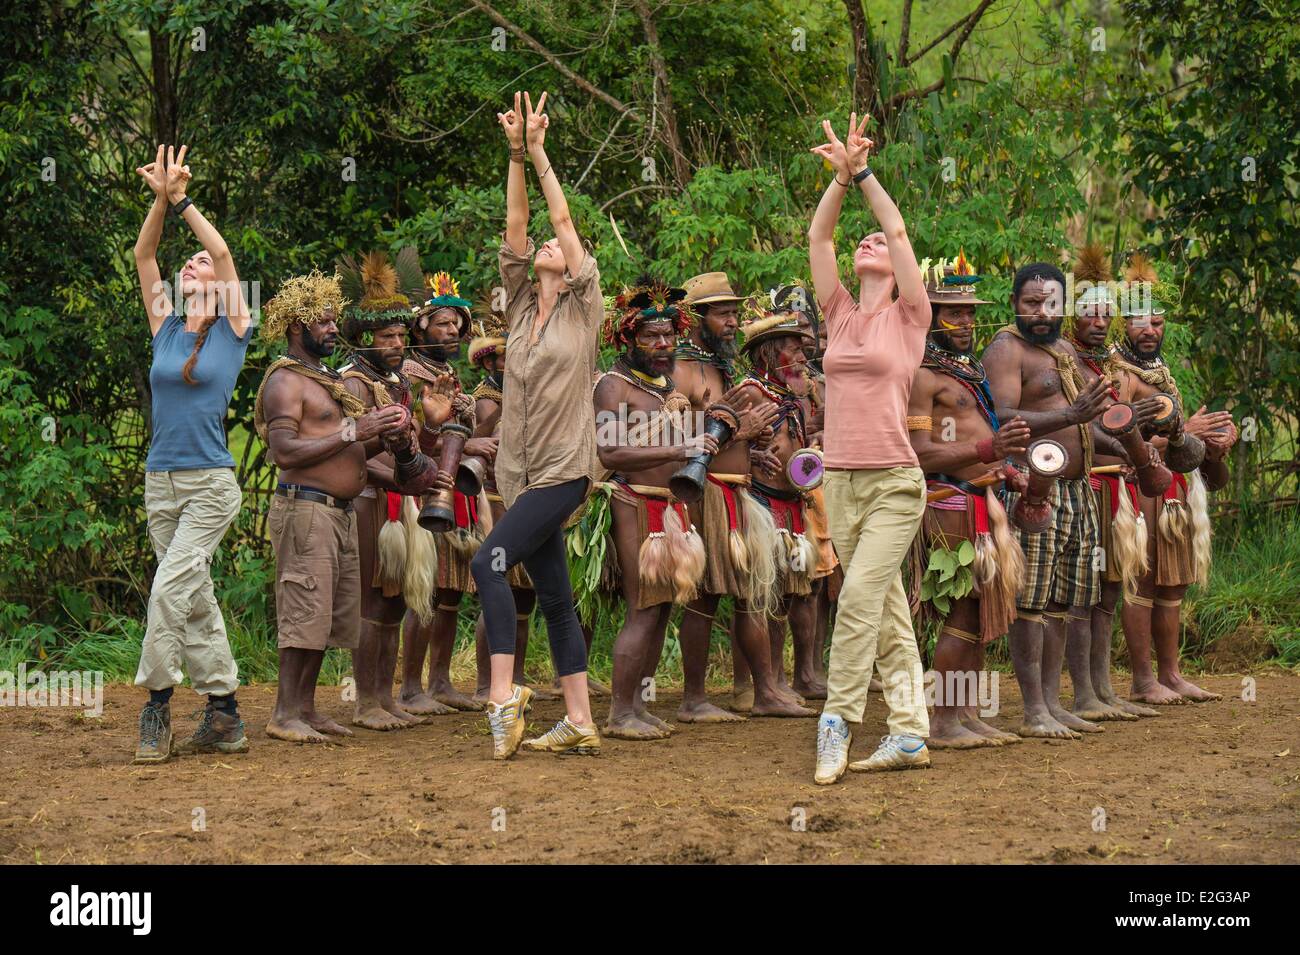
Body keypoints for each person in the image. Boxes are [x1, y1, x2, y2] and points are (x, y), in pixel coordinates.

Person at [469, 91, 601, 759]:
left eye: (561, 246)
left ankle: (502, 696)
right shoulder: (522, 305)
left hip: (564, 469)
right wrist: (514, 152)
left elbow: (559, 216)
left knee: (487, 562)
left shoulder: (584, 305)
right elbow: (519, 219)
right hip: (519, 474)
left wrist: (542, 151)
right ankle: (578, 716)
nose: (550, 244)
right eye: (545, 247)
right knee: (554, 594)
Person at [806, 113, 933, 784]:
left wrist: (865, 176)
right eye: (867, 238)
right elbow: (820, 233)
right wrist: (837, 179)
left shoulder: (909, 316)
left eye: (878, 241)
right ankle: (910, 732)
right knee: (880, 610)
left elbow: (900, 230)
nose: (870, 238)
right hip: (841, 483)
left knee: (855, 601)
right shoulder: (839, 314)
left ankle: (837, 722)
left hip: (893, 482)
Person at [131, 144, 253, 764]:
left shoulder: (234, 323)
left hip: (209, 485)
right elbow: (144, 254)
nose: (193, 262)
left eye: (199, 262)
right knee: (192, 593)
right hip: (160, 482)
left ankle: (156, 706)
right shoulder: (167, 326)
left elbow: (225, 252)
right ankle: (225, 711)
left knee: (166, 592)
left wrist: (181, 200)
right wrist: (158, 201)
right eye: (190, 261)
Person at [254, 272, 410, 742]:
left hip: (338, 511)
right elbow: (284, 452)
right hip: (306, 510)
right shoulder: (284, 381)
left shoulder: (326, 380)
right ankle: (284, 713)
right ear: (296, 327)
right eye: (323, 323)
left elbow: (349, 452)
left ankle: (307, 708)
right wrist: (355, 432)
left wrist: (395, 448)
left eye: (333, 321)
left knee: (325, 618)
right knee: (303, 610)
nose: (333, 330)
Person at [982, 262, 1122, 740]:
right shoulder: (1006, 349)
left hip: (1079, 489)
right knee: (1031, 602)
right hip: (1034, 487)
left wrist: (1128, 445)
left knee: (1063, 601)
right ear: (1015, 304)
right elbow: (999, 417)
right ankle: (1033, 710)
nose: (1042, 312)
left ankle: (1054, 703)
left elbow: (1084, 424)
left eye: (1051, 303)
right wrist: (1072, 412)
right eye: (1031, 303)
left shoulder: (1063, 350)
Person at [907, 257, 1031, 747]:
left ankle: (967, 714)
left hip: (984, 500)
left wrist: (1003, 471)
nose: (964, 323)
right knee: (961, 612)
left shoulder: (969, 370)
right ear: (931, 316)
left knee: (978, 613)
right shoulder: (922, 376)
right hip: (949, 503)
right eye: (952, 314)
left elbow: (985, 438)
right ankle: (941, 722)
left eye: (970, 314)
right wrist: (986, 452)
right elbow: (918, 454)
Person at [1106, 254, 1236, 704]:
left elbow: (1175, 435)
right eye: (1141, 322)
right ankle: (1143, 681)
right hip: (1139, 488)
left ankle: (1171, 674)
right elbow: (1116, 439)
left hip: (1174, 492)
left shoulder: (1160, 371)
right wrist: (1184, 435)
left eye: (1158, 323)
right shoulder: (1120, 373)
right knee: (1142, 579)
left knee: (1173, 582)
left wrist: (1209, 444)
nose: (1150, 330)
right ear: (1123, 324)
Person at [336, 248, 448, 731]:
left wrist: (435, 426)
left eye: (403, 334)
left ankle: (386, 696)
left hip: (402, 501)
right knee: (372, 602)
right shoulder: (353, 384)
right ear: (364, 340)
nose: (399, 342)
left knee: (397, 599)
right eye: (388, 336)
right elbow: (355, 455)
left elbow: (411, 450)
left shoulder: (400, 383)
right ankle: (365, 703)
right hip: (369, 502)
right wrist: (408, 476)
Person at [595, 280, 711, 738]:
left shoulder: (669, 387)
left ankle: (639, 707)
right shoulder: (613, 387)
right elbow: (611, 454)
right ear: (627, 339)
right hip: (634, 503)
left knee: (663, 608)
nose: (663, 345)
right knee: (643, 608)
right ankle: (619, 713)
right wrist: (679, 449)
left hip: (671, 508)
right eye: (650, 337)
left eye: (668, 335)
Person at [673, 270, 781, 720]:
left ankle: (764, 691)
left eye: (736, 313)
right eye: (723, 314)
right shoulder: (679, 368)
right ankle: (694, 698)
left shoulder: (719, 365)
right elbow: (676, 434)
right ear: (697, 318)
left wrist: (751, 453)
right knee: (703, 598)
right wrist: (744, 432)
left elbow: (724, 432)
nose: (734, 322)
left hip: (736, 493)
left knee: (749, 594)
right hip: (705, 496)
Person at [1067, 245, 1161, 719]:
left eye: (1106, 314)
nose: (1100, 322)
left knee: (1108, 589)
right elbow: (1077, 427)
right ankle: (1083, 693)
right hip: (1084, 487)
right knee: (1083, 589)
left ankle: (1104, 689)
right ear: (1072, 318)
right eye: (1090, 314)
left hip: (1116, 492)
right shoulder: (1065, 361)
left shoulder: (1114, 368)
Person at [398, 272, 495, 715]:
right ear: (420, 328)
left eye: (457, 324)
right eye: (442, 323)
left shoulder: (448, 375)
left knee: (452, 589)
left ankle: (439, 682)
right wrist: (470, 444)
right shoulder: (409, 374)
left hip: (457, 491)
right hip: (423, 490)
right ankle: (410, 688)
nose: (452, 330)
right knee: (425, 589)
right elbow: (412, 438)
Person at [727, 294, 825, 718]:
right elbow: (722, 440)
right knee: (758, 596)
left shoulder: (793, 393)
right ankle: (757, 687)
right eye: (794, 347)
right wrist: (747, 456)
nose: (803, 354)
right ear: (770, 351)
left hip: (791, 503)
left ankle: (779, 682)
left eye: (803, 347)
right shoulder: (749, 391)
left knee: (786, 595)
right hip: (759, 504)